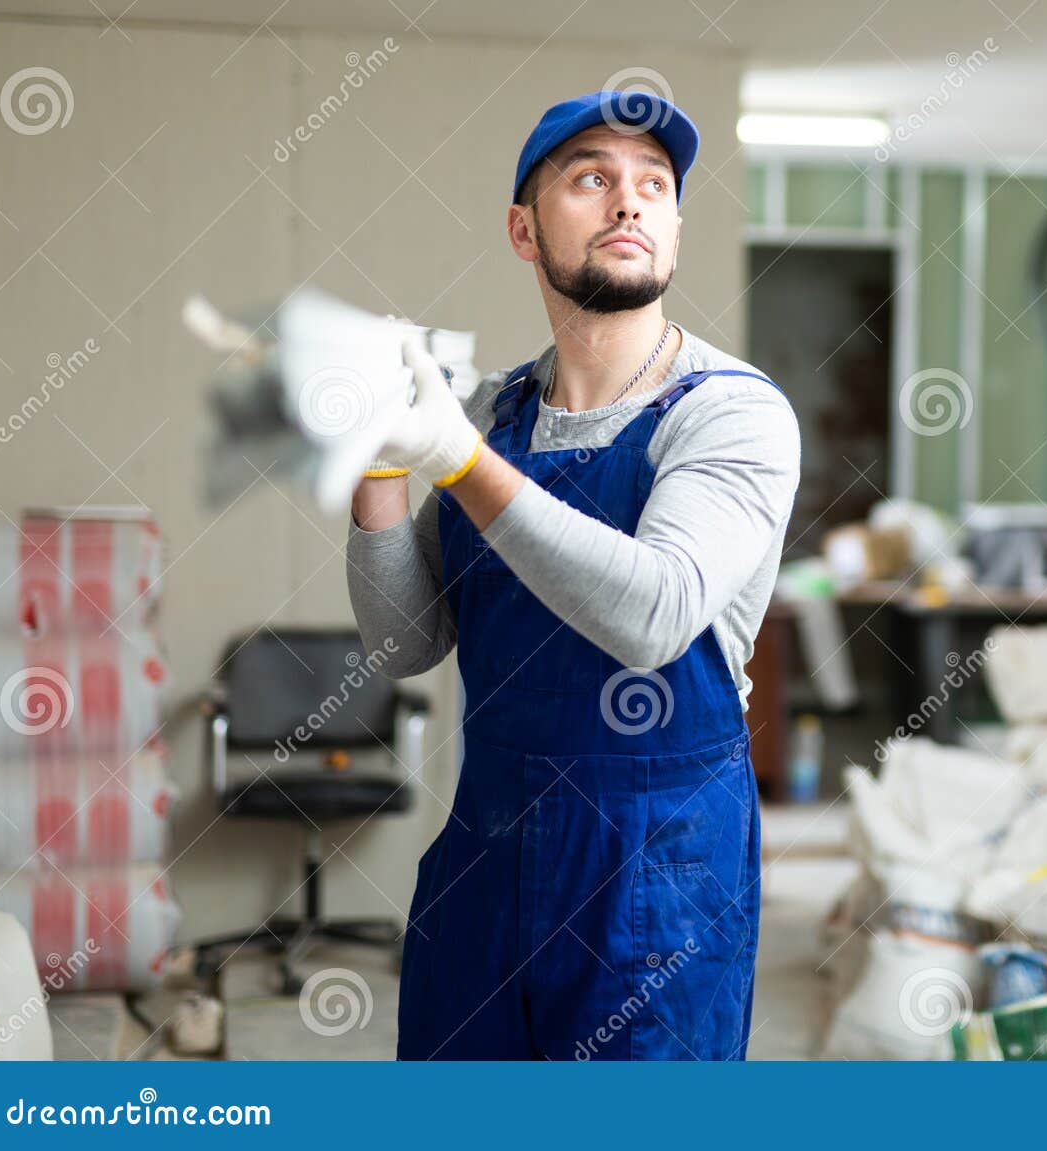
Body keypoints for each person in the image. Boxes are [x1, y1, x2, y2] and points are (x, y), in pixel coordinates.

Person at [346, 89, 801, 1060]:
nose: (628, 202)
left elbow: (655, 612)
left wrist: (458, 462)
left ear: (675, 224)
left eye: (653, 185)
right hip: (486, 851)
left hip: (655, 878)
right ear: (524, 228)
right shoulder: (501, 412)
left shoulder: (728, 414)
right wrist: (381, 466)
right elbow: (404, 644)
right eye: (591, 178)